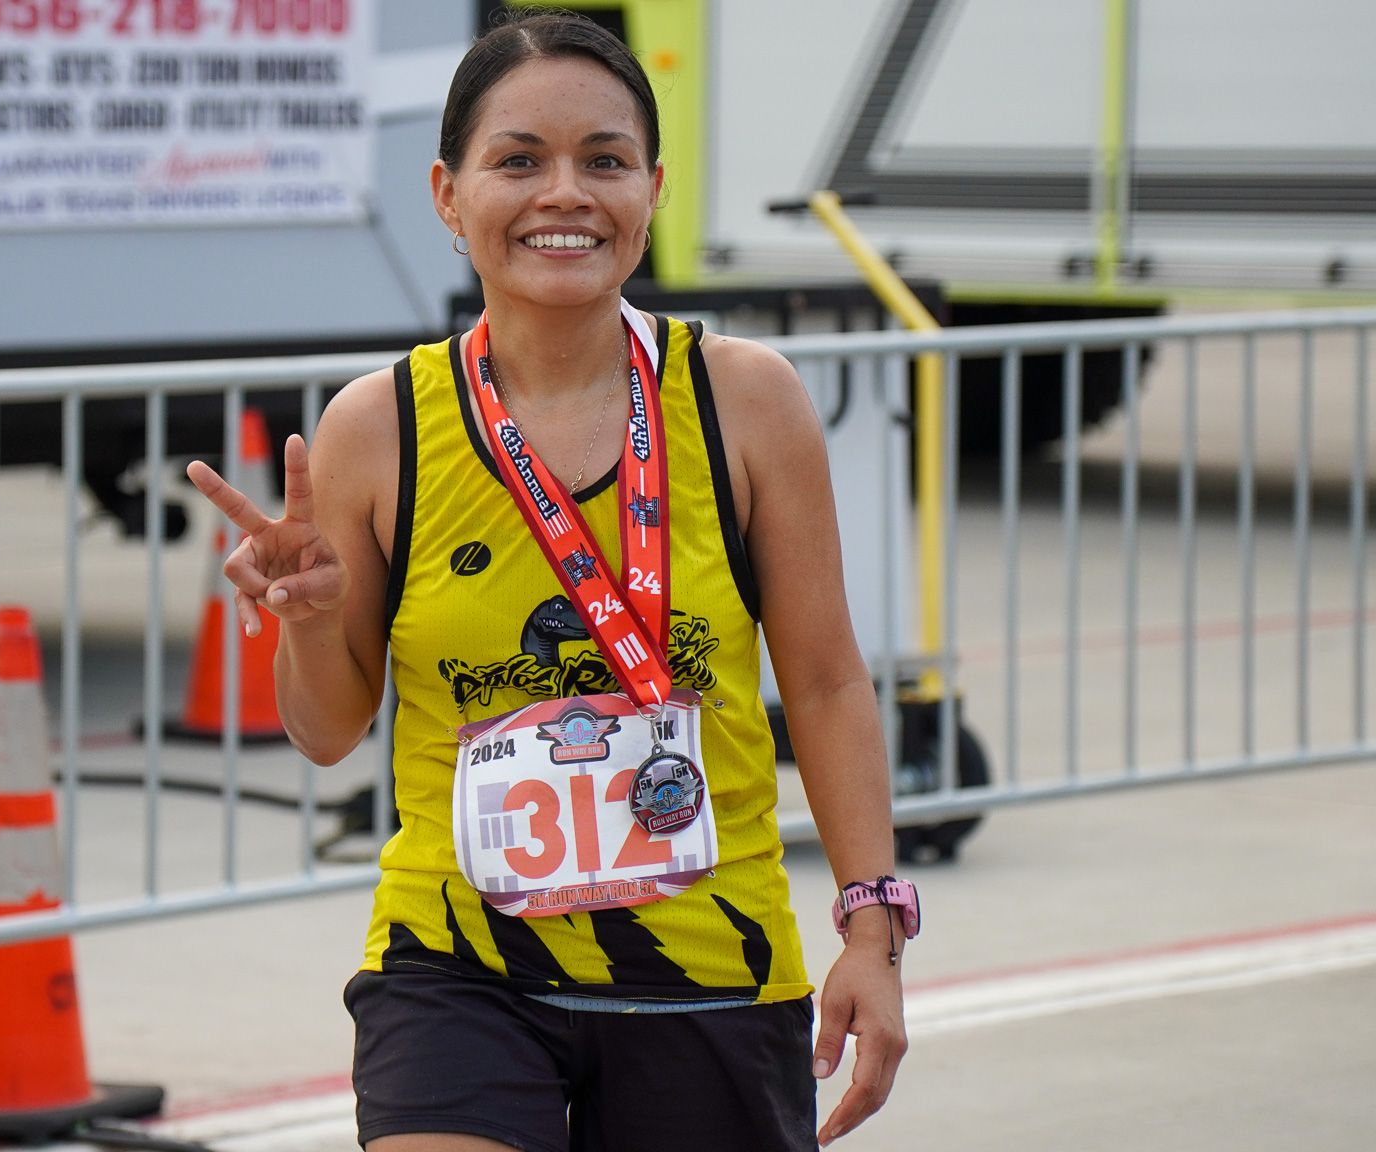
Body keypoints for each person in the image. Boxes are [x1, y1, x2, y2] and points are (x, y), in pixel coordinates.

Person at [189, 11, 912, 1149]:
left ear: (653, 189)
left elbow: (822, 683)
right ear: (446, 193)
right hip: (457, 966)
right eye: (518, 160)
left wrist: (871, 930)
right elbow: (328, 733)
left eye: (604, 161)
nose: (563, 193)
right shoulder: (378, 428)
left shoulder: (746, 401)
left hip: (710, 965)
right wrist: (308, 624)